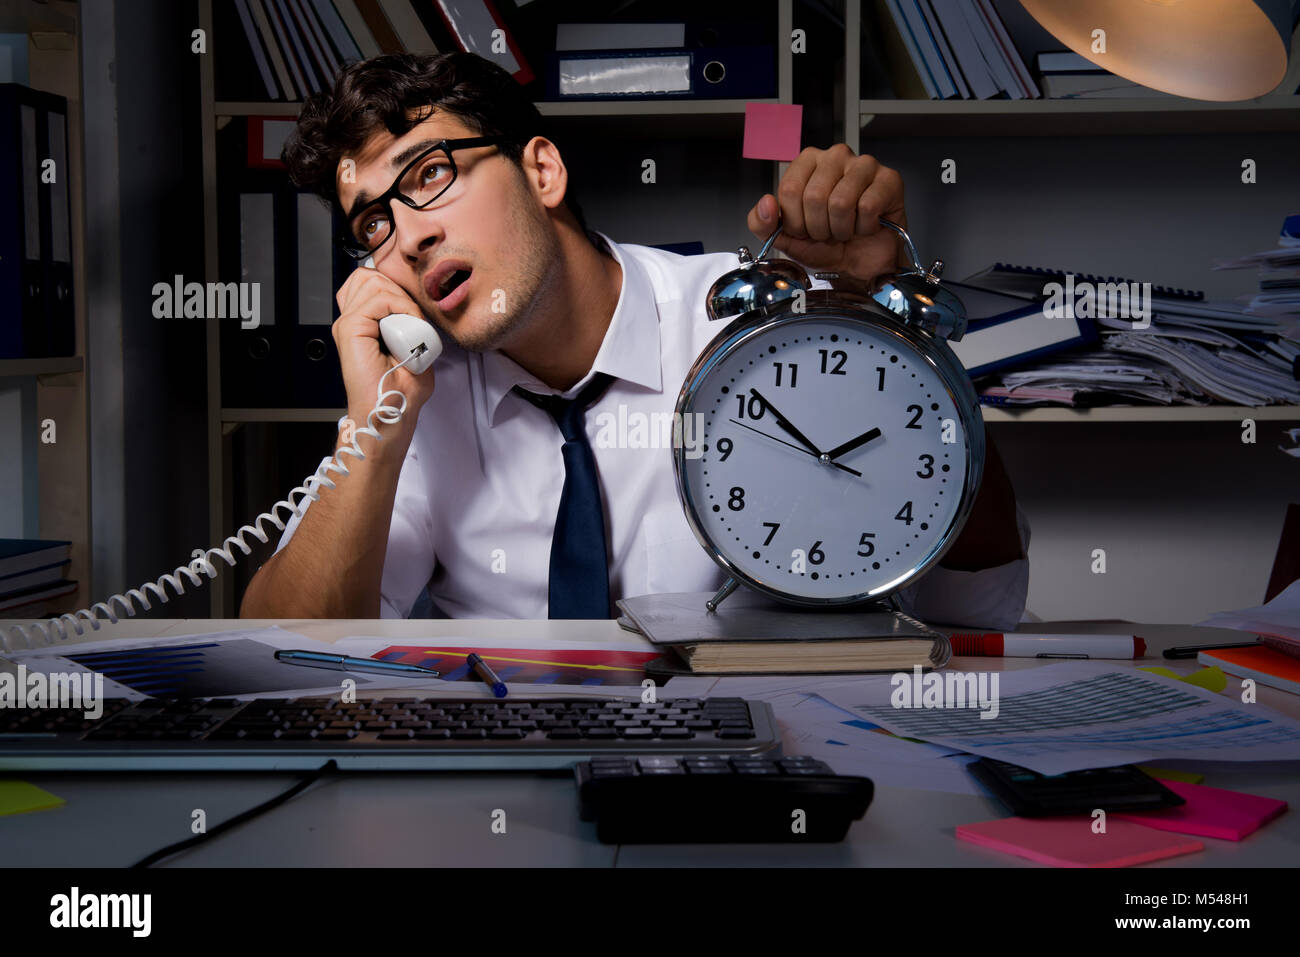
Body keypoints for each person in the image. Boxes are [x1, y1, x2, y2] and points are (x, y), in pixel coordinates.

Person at [240, 52, 1028, 627]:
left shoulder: (757, 329)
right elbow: (287, 652)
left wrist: (892, 336)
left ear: (542, 172)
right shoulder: (412, 400)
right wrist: (373, 432)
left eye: (430, 176)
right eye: (374, 223)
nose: (407, 238)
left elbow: (981, 603)